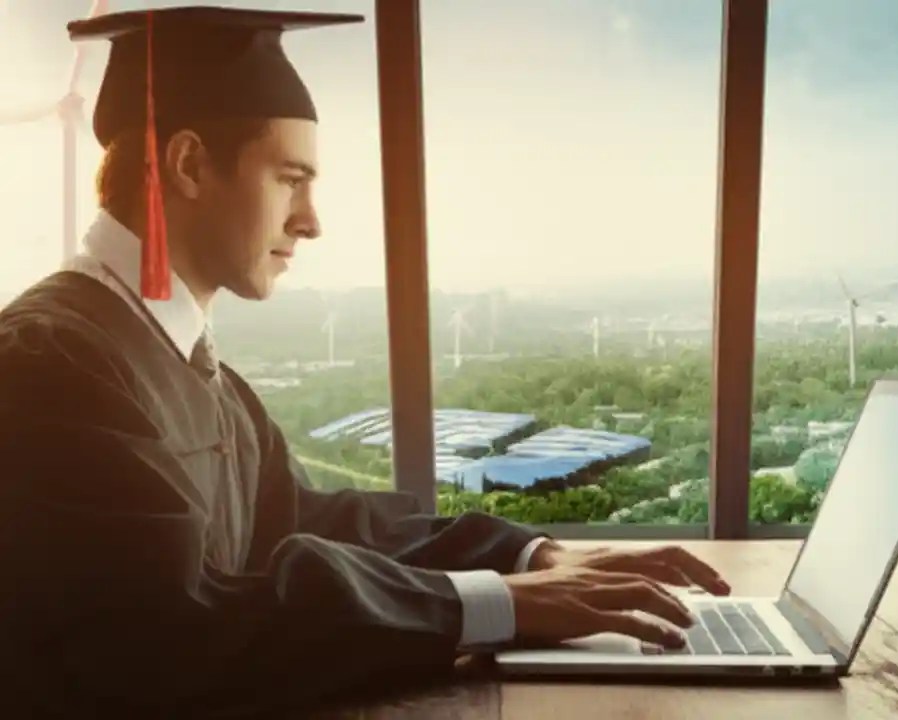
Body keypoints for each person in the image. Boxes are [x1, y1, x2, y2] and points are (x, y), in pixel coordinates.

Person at [0, 7, 729, 716]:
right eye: (290, 178)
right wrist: (491, 607)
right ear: (188, 164)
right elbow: (172, 629)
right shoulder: (51, 366)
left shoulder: (167, 353)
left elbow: (303, 521)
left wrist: (529, 556)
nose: (311, 220)